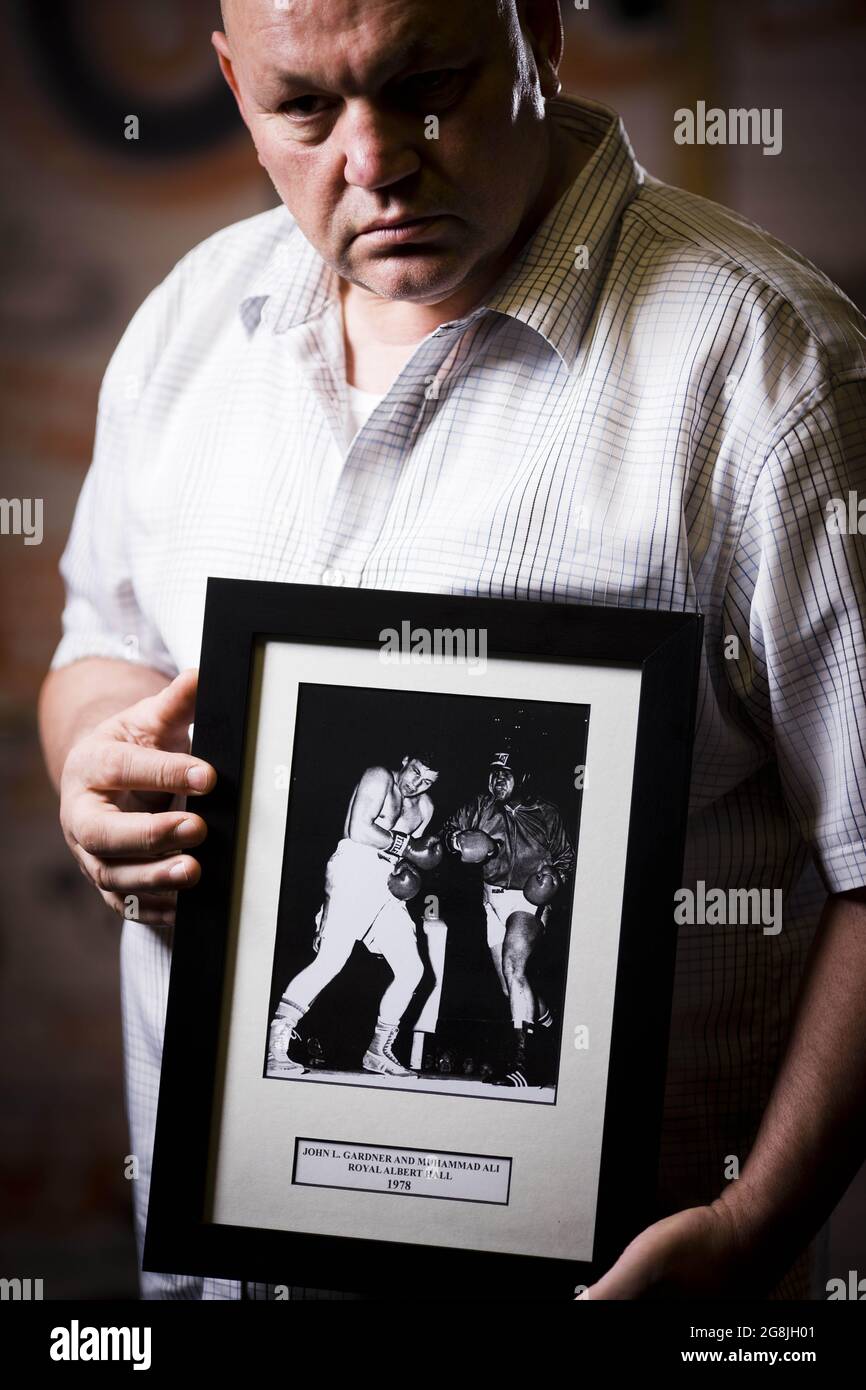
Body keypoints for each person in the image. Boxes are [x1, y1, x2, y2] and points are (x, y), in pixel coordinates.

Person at [37, 0, 866, 1302]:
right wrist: (93, 756)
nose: (371, 159)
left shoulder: (775, 372)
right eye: (301, 107)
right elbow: (104, 641)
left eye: (426, 83)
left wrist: (757, 1220)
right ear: (228, 80)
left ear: (536, 28)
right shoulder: (189, 327)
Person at [268, 752, 441, 1078]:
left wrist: (416, 870)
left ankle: (378, 1050)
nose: (416, 784)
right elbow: (358, 830)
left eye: (427, 781)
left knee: (412, 970)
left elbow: (410, 859)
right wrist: (407, 849)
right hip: (356, 867)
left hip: (389, 883)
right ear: (406, 760)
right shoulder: (378, 776)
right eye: (416, 772)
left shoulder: (426, 808)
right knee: (331, 960)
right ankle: (275, 1043)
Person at [441, 751, 574, 1086]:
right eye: (493, 772)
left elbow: (566, 858)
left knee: (515, 967)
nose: (497, 780)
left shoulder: (546, 813)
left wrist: (552, 880)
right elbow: (447, 831)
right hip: (491, 900)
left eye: (506, 773)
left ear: (524, 778)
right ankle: (545, 1021)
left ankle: (523, 1063)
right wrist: (457, 840)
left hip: (528, 902)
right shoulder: (478, 807)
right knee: (509, 984)